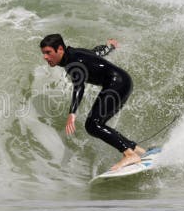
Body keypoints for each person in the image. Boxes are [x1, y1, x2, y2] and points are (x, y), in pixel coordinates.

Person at [40, 33, 148, 171]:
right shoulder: (74, 53)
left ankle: (129, 154)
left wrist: (72, 113)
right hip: (122, 82)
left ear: (60, 49)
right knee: (95, 124)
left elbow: (79, 86)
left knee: (93, 125)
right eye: (43, 53)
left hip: (117, 84)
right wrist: (109, 47)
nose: (45, 57)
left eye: (48, 52)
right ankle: (136, 150)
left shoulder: (72, 61)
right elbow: (95, 53)